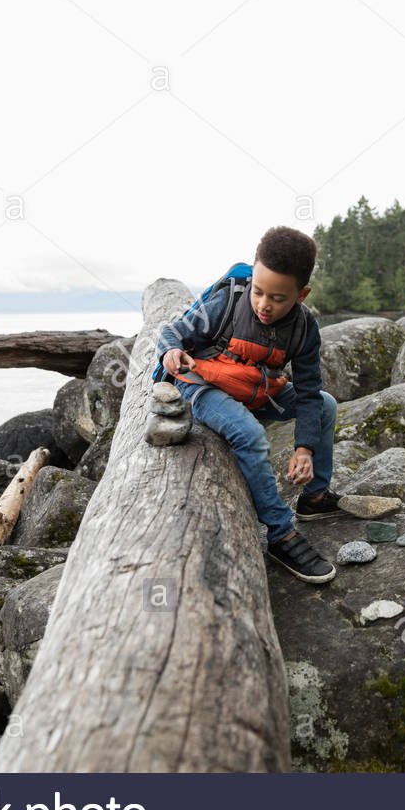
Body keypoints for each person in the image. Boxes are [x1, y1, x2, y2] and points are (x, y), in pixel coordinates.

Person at [156, 226, 343, 584]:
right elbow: (172, 332)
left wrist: (304, 449)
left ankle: (315, 497)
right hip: (204, 385)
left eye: (278, 297)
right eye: (258, 291)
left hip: (256, 391)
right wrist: (172, 352)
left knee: (327, 404)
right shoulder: (228, 302)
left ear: (301, 295)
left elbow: (307, 392)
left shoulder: (305, 328)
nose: (264, 305)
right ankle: (279, 533)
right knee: (251, 436)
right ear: (252, 275)